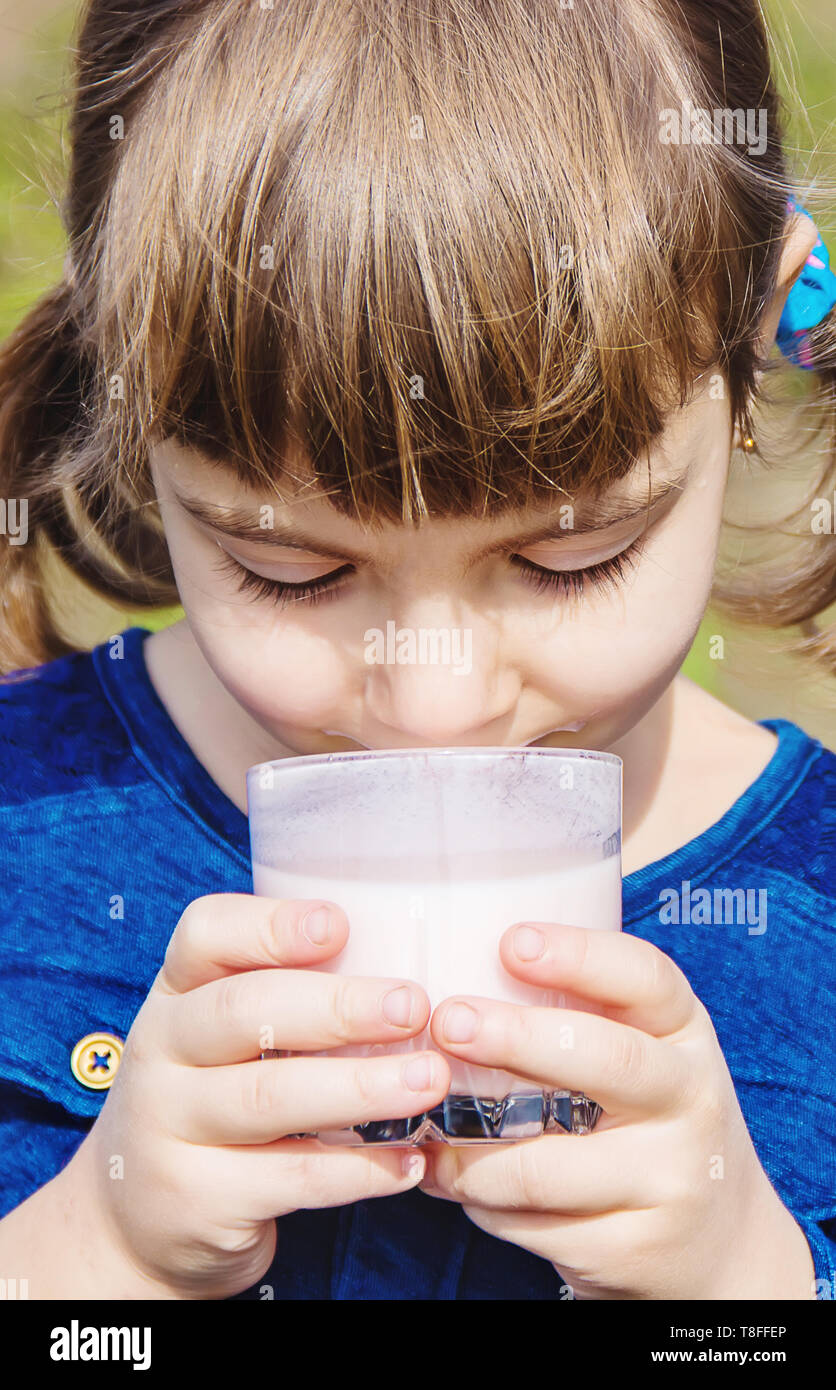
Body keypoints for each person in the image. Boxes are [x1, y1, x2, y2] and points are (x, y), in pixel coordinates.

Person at [0, 0, 834, 1301]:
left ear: (761, 332)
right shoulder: (26, 834)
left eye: (572, 558)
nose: (435, 706)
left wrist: (743, 1292)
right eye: (293, 569)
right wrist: (90, 1257)